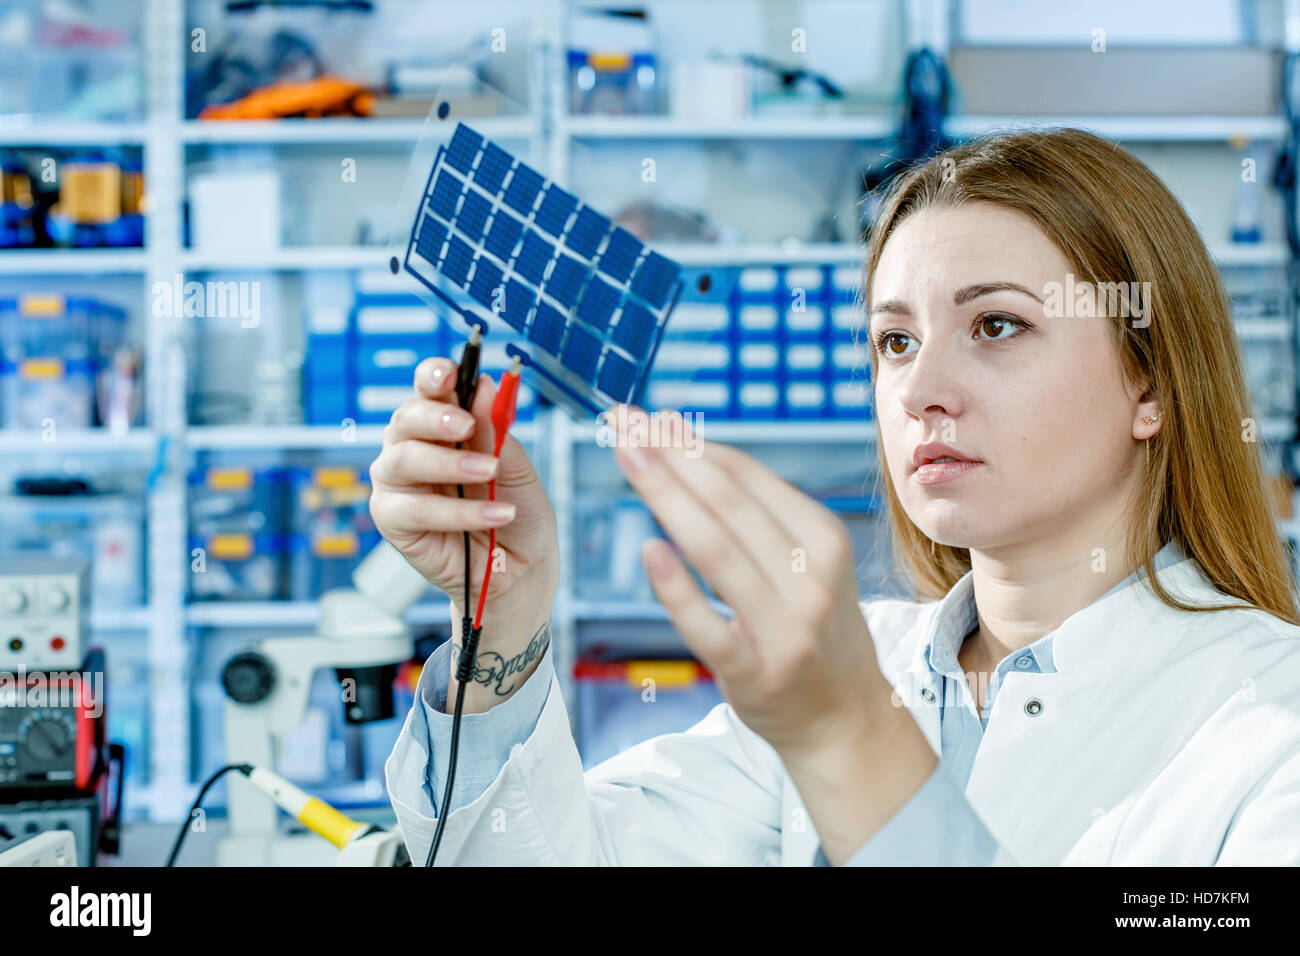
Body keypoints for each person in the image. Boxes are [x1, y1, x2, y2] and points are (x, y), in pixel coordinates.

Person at [371, 127, 1300, 865]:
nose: (920, 387)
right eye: (894, 341)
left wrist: (853, 742)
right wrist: (505, 622)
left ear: (1152, 388)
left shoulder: (1269, 724)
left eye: (998, 324)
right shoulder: (861, 666)